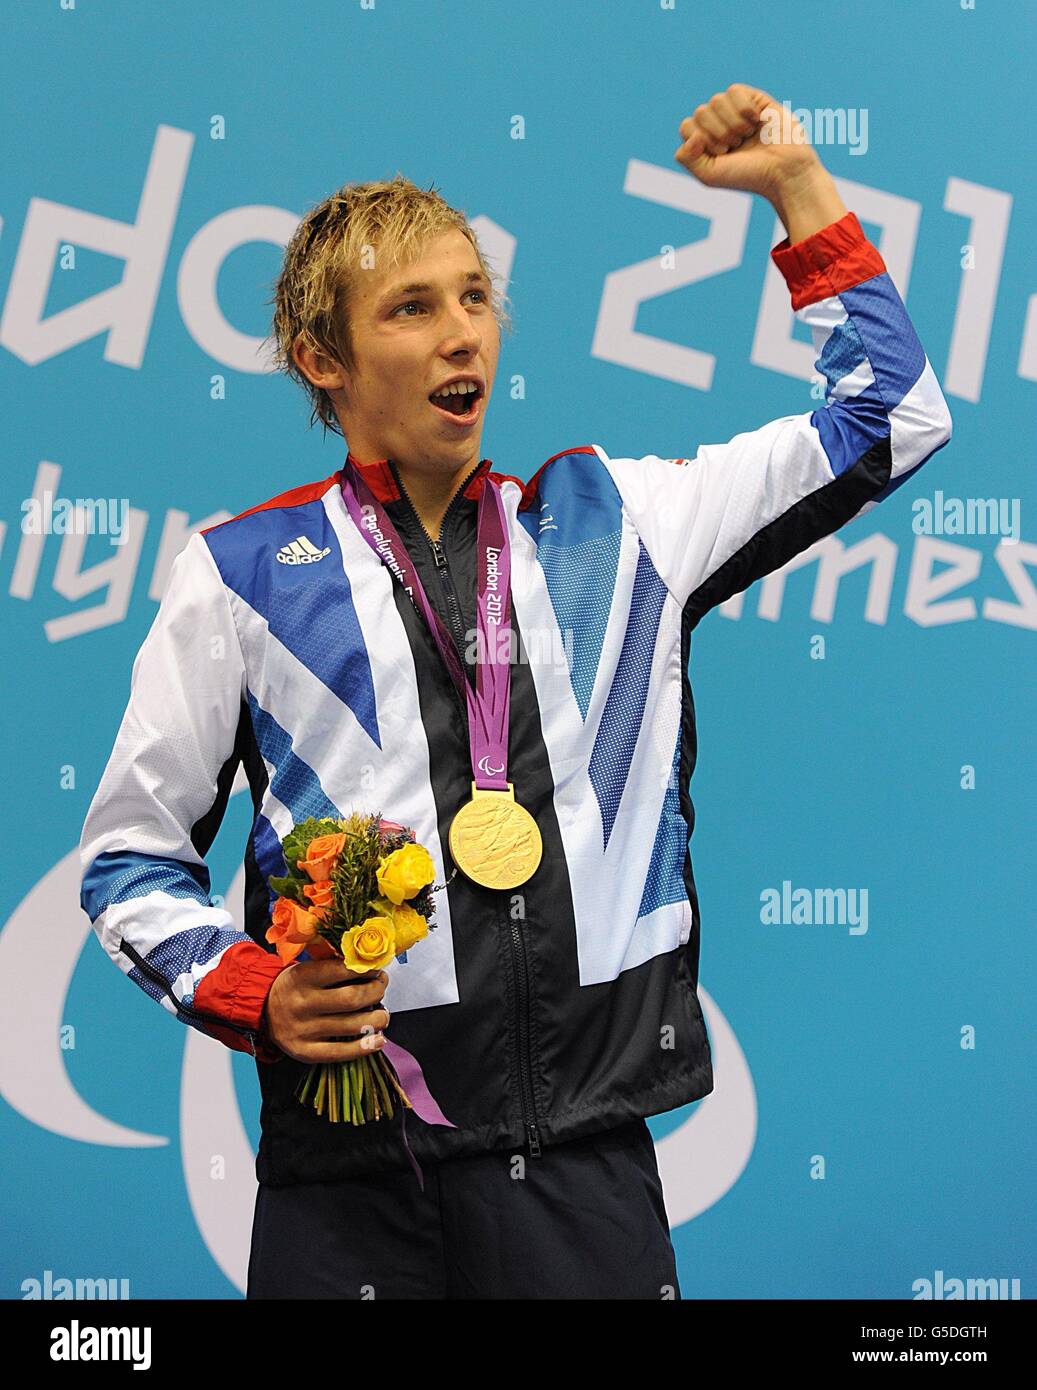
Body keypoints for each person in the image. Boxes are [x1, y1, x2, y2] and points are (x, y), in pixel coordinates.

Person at [78, 84, 952, 1299]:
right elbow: (129, 856)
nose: (462, 335)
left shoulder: (626, 523)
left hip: (586, 1176)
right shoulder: (238, 575)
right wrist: (256, 992)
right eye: (413, 307)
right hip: (348, 1192)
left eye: (477, 299)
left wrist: (795, 191)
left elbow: (889, 413)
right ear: (321, 360)